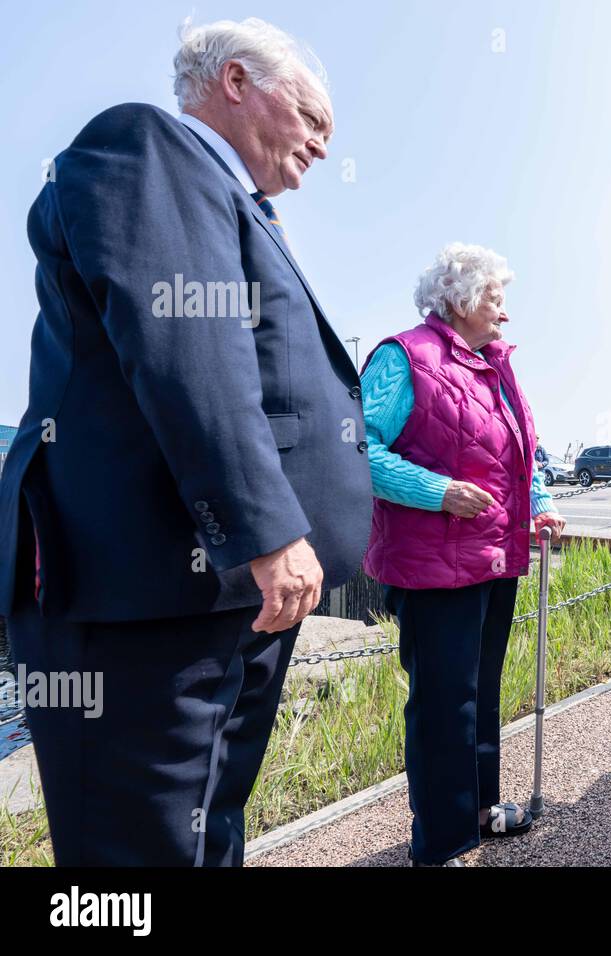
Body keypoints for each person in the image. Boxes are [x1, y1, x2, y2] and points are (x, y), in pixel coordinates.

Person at [0, 18, 372, 865]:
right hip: (150, 600)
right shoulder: (150, 145)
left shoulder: (237, 202)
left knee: (205, 835)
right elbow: (188, 352)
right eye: (312, 117)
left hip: (220, 599)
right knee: (134, 861)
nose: (321, 144)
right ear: (237, 81)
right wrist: (269, 531)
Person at [360, 243, 565, 867]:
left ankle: (478, 809)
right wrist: (439, 491)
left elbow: (521, 454)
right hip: (432, 564)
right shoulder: (404, 358)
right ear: (460, 298)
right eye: (495, 297)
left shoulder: (496, 366)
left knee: (479, 692)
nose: (505, 310)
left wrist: (540, 503)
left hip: (493, 557)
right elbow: (358, 448)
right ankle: (443, 842)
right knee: (444, 703)